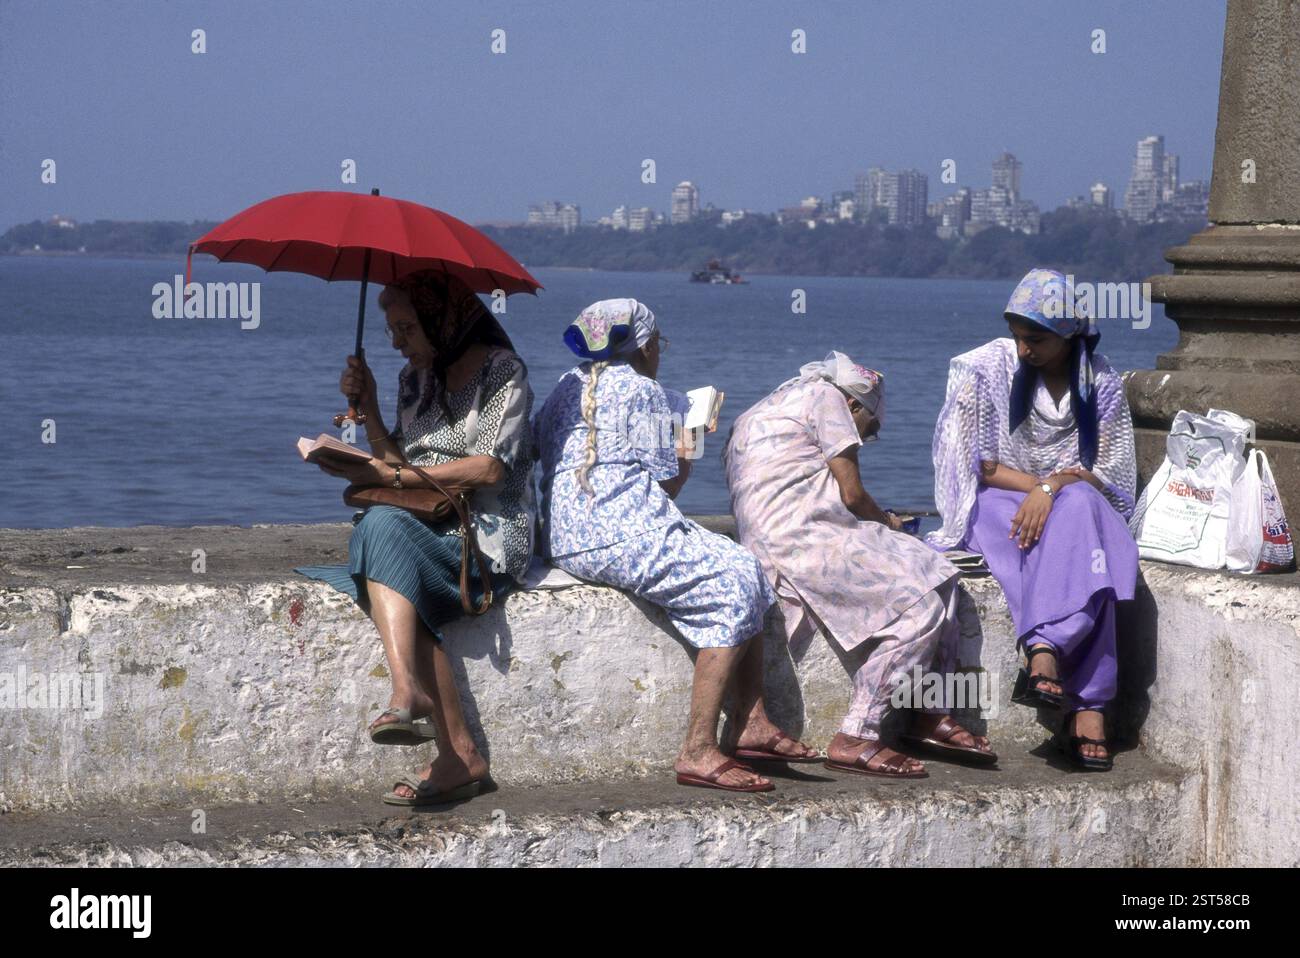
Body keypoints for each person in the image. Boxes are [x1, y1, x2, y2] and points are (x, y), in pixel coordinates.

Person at [533, 298, 819, 793]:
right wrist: (692, 440)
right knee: (732, 582)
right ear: (644, 346)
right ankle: (699, 749)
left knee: (743, 564)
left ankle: (752, 720)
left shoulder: (565, 385)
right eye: (658, 345)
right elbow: (668, 485)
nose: (659, 354)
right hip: (617, 534)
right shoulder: (644, 391)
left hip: (564, 536)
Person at [294, 270, 536, 803]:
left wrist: (391, 479)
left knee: (379, 543)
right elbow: (397, 461)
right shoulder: (413, 379)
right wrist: (372, 407)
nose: (399, 341)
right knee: (388, 556)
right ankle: (446, 738)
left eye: (407, 327)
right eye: (392, 331)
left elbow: (490, 469)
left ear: (440, 321)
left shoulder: (503, 372)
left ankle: (420, 708)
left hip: (487, 533)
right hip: (424, 520)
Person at [724, 351, 994, 778]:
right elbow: (852, 495)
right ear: (855, 405)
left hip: (770, 542)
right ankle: (860, 734)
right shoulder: (828, 398)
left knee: (933, 569)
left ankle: (927, 710)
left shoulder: (764, 408)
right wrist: (887, 520)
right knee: (923, 602)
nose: (866, 440)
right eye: (871, 430)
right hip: (806, 541)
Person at [927, 267, 1139, 771]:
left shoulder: (1101, 382)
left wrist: (1052, 488)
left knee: (1085, 519)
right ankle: (1090, 705)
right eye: (1019, 337)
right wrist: (1039, 491)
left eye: (1037, 339)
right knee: (1087, 560)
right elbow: (980, 464)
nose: (1024, 349)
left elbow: (1109, 475)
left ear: (1069, 335)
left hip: (1073, 501)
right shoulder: (990, 370)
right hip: (1001, 505)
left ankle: (1043, 650)